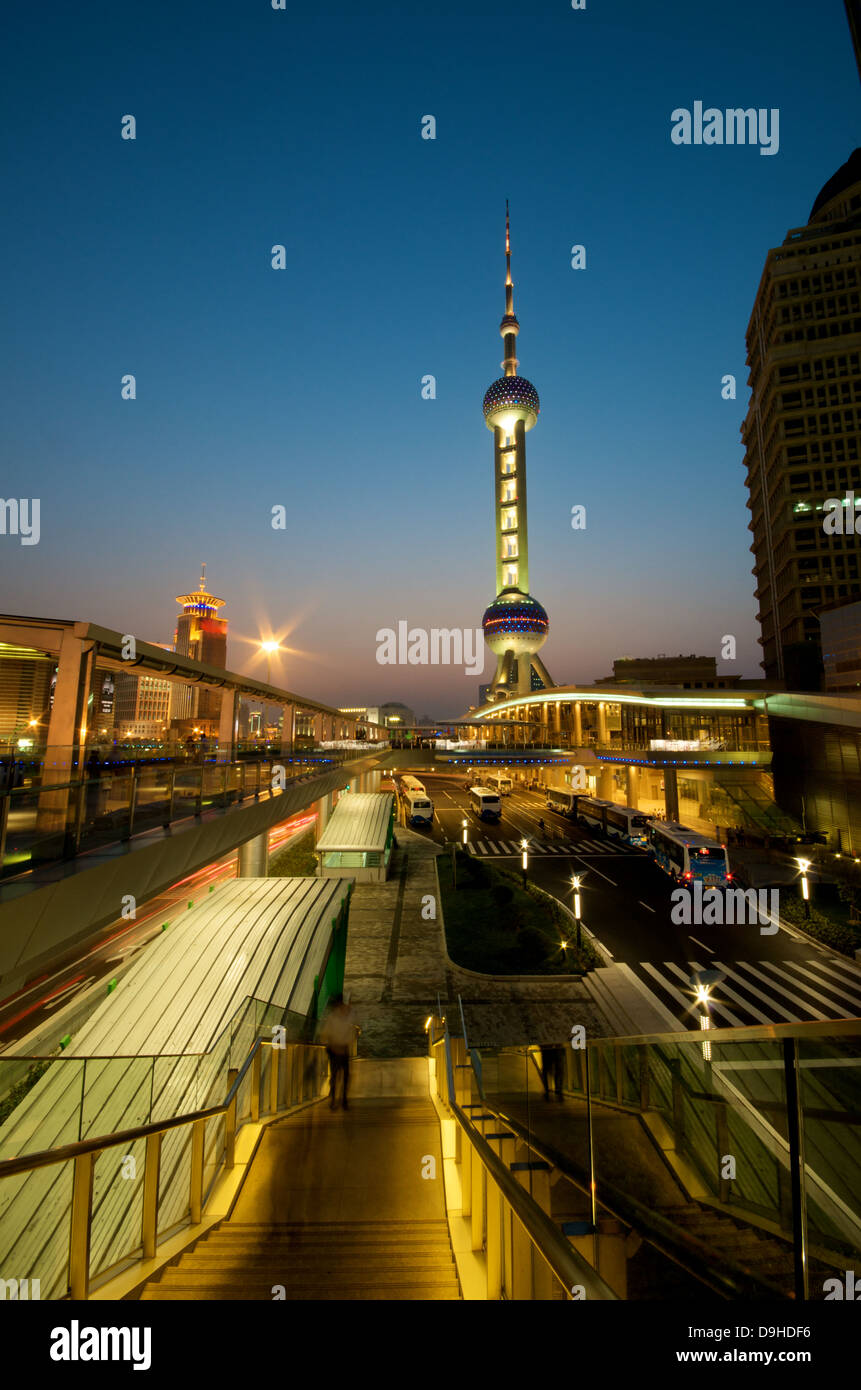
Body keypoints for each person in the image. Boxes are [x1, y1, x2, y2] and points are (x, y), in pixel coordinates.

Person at [319, 994, 359, 1110]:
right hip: (338, 1049)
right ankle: (341, 1100)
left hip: (338, 1049)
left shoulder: (333, 1017)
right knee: (342, 1075)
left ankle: (337, 1101)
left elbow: (325, 1033)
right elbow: (355, 1025)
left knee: (339, 1075)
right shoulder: (343, 1016)